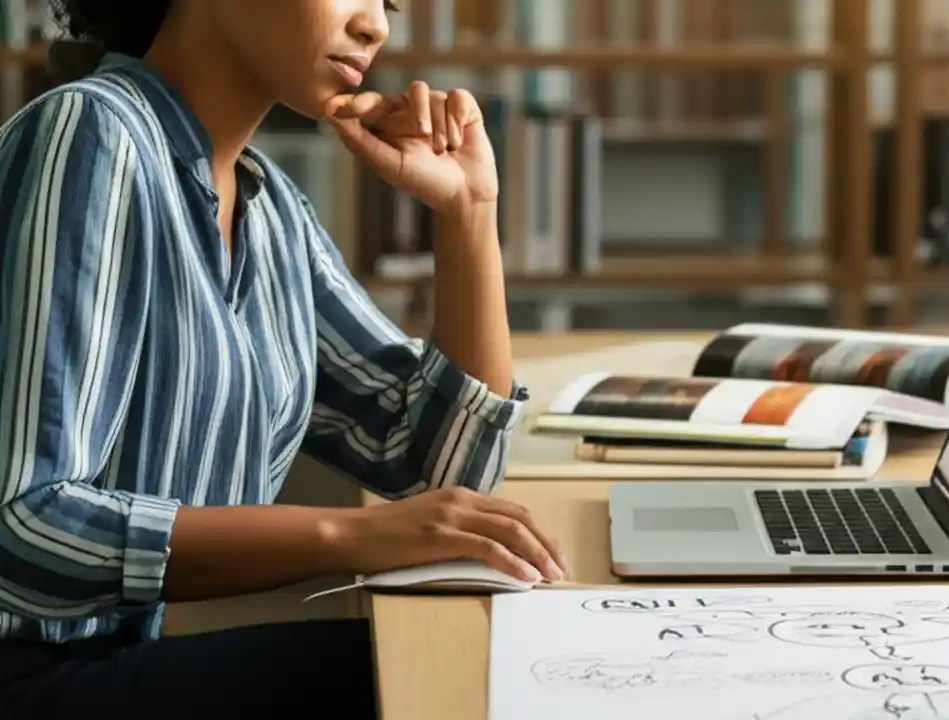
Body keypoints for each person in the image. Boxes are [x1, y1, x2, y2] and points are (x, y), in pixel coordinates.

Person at [0, 1, 569, 717]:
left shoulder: (270, 212)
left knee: (474, 661)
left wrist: (468, 212)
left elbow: (442, 471)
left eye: (388, 2)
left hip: (112, 658)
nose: (376, 26)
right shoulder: (86, 135)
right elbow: (22, 528)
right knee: (448, 681)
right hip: (24, 677)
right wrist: (351, 537)